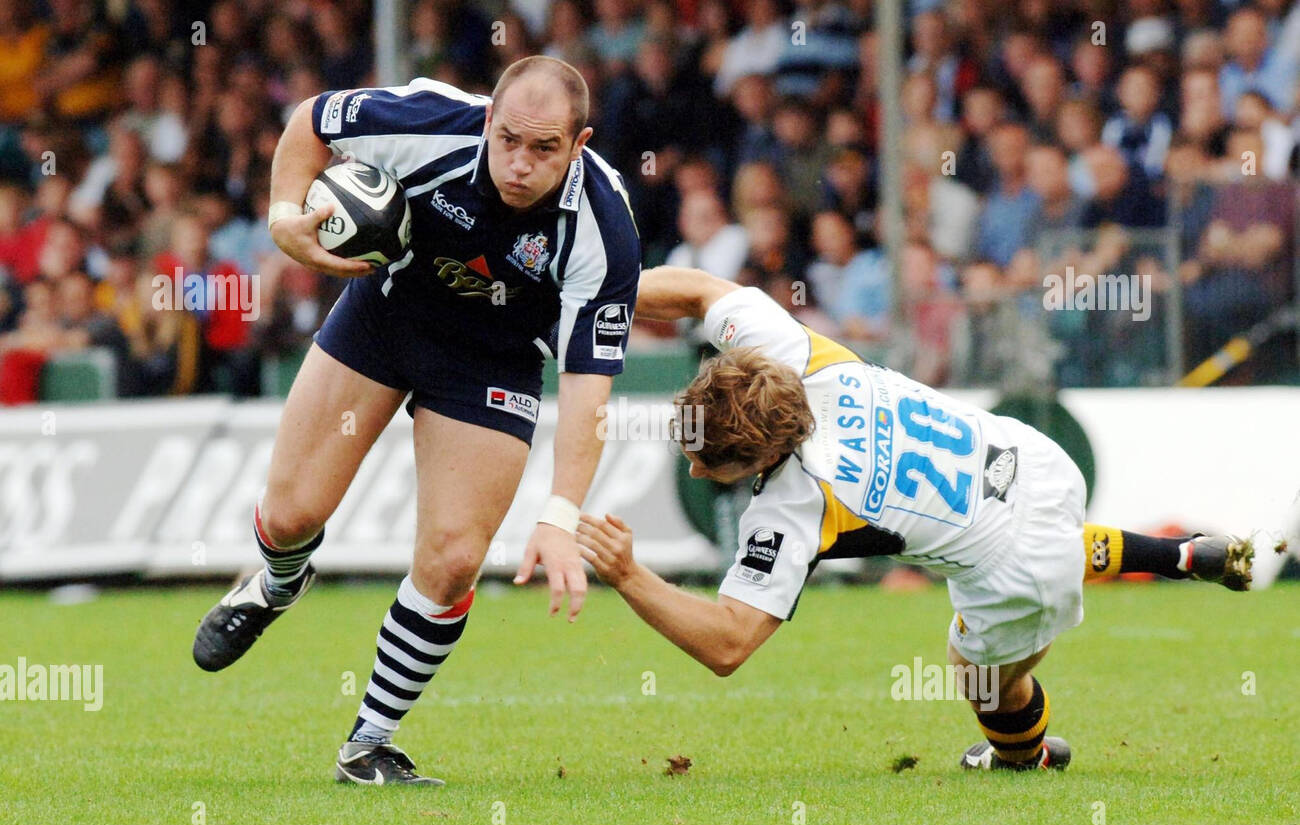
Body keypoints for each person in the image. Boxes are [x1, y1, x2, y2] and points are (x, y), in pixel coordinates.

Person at [576, 267, 1253, 772]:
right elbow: (697, 292)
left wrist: (629, 575)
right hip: (1032, 460)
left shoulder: (796, 502)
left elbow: (727, 645)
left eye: (708, 465)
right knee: (1032, 544)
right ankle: (1181, 556)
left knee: (978, 674)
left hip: (1023, 565)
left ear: (760, 455)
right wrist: (591, 292)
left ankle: (1027, 758)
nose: (695, 472)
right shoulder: (790, 353)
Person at [191, 57, 641, 786]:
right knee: (290, 514)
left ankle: (368, 743)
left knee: (455, 556)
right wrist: (282, 218)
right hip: (385, 314)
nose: (520, 165)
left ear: (580, 143)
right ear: (488, 118)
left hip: (491, 362)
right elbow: (311, 120)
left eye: (545, 149)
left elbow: (589, 387)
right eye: (509, 140)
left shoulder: (605, 226)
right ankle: (277, 583)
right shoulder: (427, 123)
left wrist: (560, 515)